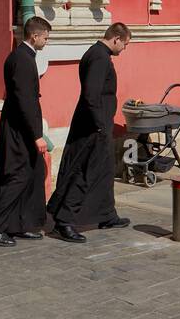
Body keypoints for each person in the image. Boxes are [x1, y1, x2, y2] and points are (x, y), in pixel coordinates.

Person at [47, 23, 133, 242]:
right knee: (85, 173)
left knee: (104, 171)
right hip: (94, 127)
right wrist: (100, 126)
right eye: (125, 44)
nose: (124, 49)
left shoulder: (96, 53)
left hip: (99, 124)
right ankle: (64, 221)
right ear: (116, 38)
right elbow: (91, 96)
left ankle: (107, 215)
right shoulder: (99, 58)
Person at [0, 17, 51, 247]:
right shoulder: (22, 60)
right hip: (20, 130)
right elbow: (24, 101)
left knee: (34, 174)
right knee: (17, 176)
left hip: (22, 127)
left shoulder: (24, 57)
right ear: (35, 36)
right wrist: (36, 135)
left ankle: (21, 224)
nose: (46, 42)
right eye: (45, 38)